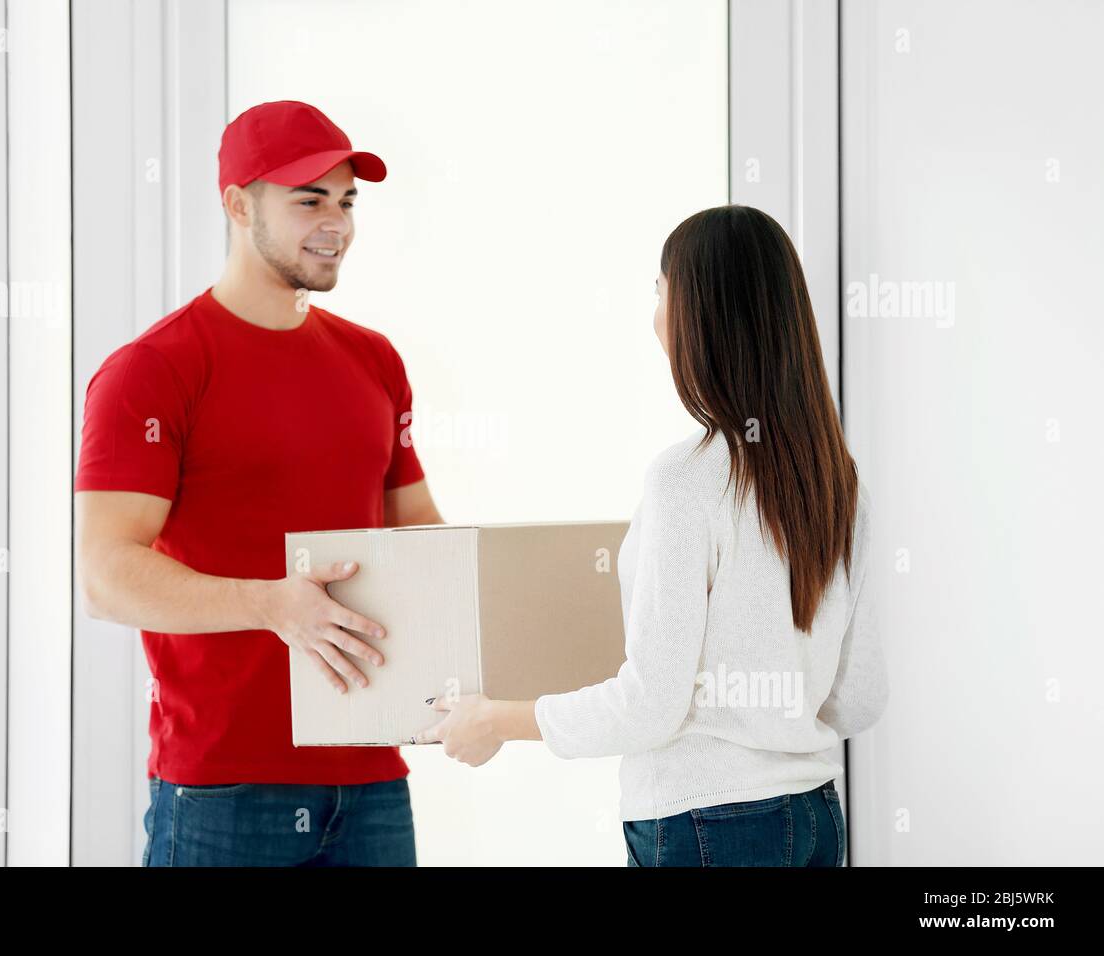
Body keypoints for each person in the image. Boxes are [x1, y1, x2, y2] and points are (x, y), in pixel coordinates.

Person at [417, 204, 889, 867]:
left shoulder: (685, 481)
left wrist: (494, 719)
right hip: (814, 816)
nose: (653, 316)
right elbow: (860, 698)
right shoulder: (841, 485)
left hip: (706, 828)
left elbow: (650, 706)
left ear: (700, 315)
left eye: (661, 290)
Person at [75, 100, 443, 867]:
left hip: (372, 777)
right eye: (309, 199)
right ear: (238, 204)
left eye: (346, 201)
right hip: (224, 790)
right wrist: (272, 605)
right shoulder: (154, 372)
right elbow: (106, 577)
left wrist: (478, 655)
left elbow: (421, 536)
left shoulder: (375, 360)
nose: (335, 222)